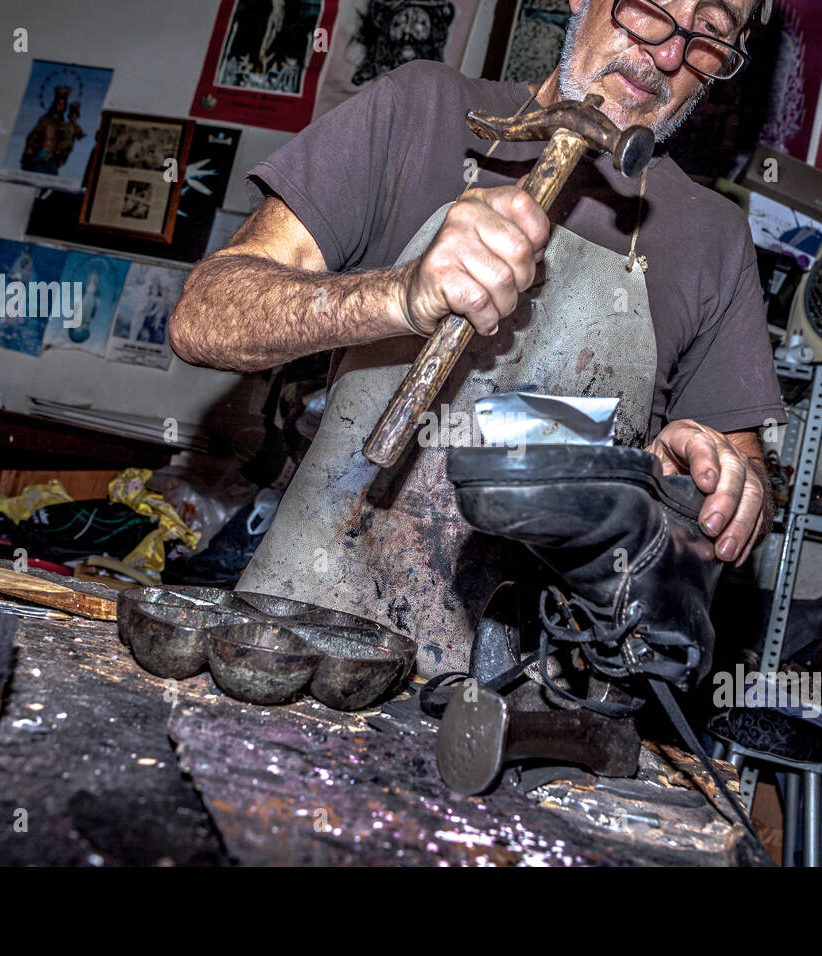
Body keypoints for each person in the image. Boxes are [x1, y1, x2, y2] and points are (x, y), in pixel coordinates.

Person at [171, 0, 785, 677]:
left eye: (711, 37)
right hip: (306, 638)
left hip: (531, 701)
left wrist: (690, 490)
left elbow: (737, 498)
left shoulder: (713, 238)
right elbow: (203, 317)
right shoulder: (422, 111)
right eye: (648, 8)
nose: (668, 54)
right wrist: (396, 295)